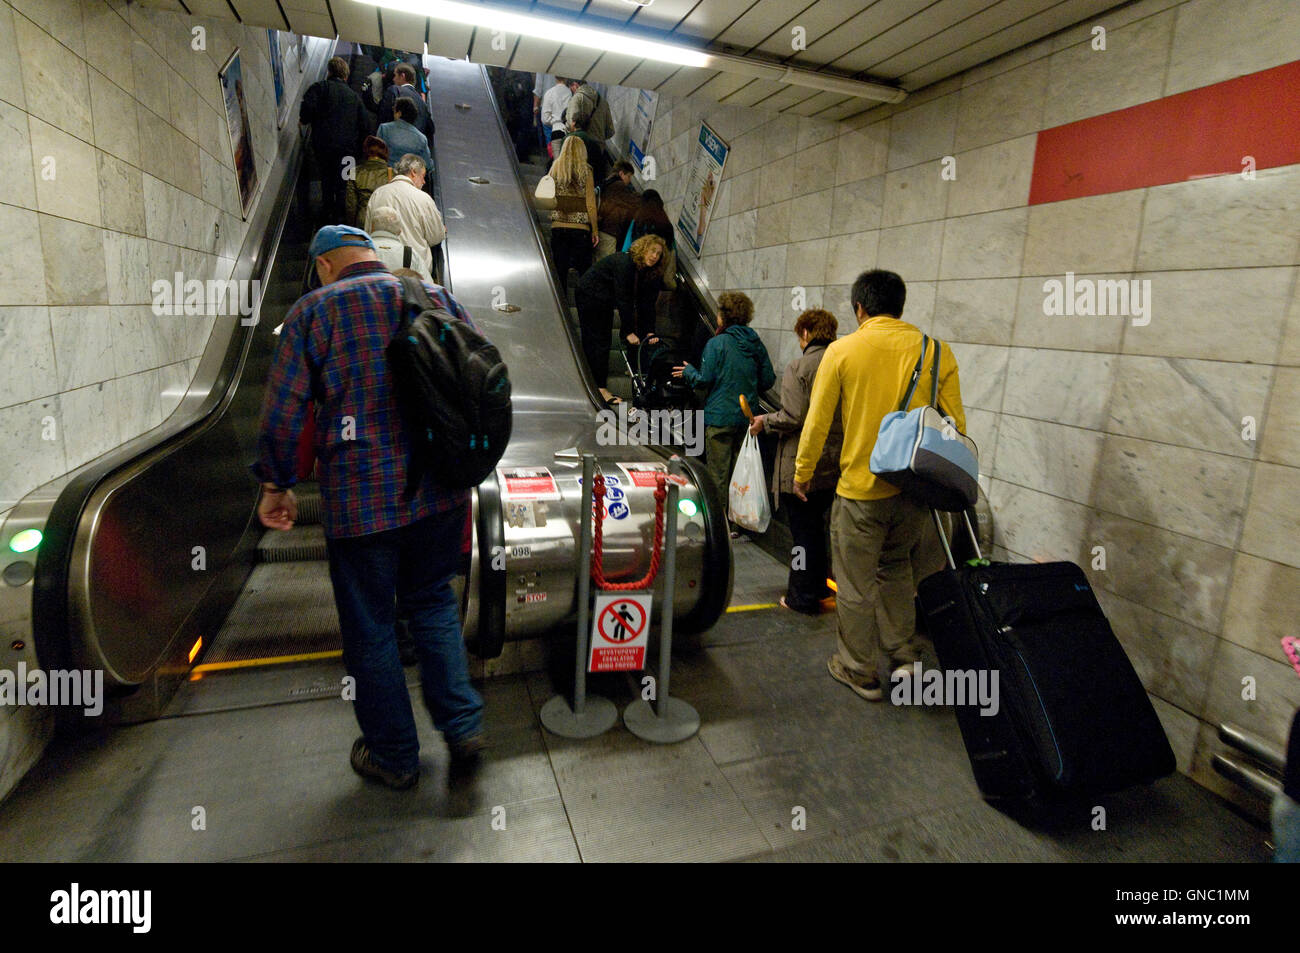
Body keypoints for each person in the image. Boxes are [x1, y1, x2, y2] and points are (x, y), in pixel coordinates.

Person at [251, 225, 486, 790]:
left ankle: (395, 756)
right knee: (432, 605)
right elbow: (476, 384)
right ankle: (463, 728)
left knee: (372, 628)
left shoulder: (315, 310)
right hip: (441, 490)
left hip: (362, 502)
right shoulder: (437, 297)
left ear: (325, 264)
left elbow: (284, 412)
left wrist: (275, 485)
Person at [793, 270, 965, 702]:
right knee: (896, 570)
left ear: (860, 308)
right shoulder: (937, 352)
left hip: (860, 489)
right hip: (913, 490)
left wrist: (802, 471)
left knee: (854, 582)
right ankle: (905, 658)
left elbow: (817, 420)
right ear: (901, 306)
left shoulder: (843, 350)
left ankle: (859, 670)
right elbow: (956, 427)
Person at [749, 309, 842, 613]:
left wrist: (765, 421)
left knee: (802, 534)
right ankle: (817, 587)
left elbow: (792, 416)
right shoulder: (842, 363)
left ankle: (800, 596)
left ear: (805, 334)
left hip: (800, 461)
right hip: (833, 463)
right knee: (816, 529)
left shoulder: (799, 366)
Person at [672, 292, 776, 504]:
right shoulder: (755, 343)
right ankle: (739, 520)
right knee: (741, 474)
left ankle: (721, 525)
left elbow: (704, 379)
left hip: (720, 419)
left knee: (718, 475)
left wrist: (689, 371)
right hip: (747, 419)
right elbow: (768, 380)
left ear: (724, 316)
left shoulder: (717, 343)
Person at [574, 234, 667, 398]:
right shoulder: (625, 263)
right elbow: (624, 299)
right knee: (599, 341)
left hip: (604, 298)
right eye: (652, 251)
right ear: (643, 249)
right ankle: (599, 389)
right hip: (590, 295)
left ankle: (594, 386)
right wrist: (628, 331)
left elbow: (646, 304)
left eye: (659, 254)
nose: (655, 256)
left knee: (601, 341)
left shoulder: (645, 271)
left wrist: (649, 331)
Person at [299, 57, 368, 226]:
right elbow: (365, 126)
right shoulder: (355, 97)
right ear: (346, 76)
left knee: (327, 180)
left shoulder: (319, 88)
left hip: (324, 149)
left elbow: (307, 110)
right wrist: (358, 152)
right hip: (347, 152)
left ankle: (325, 217)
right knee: (344, 184)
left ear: (329, 72)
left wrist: (305, 119)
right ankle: (342, 218)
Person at [365, 154, 446, 282]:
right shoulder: (423, 199)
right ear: (414, 172)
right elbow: (435, 237)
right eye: (423, 177)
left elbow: (368, 231)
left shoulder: (377, 194)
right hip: (414, 274)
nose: (424, 182)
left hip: (378, 272)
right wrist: (441, 230)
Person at [548, 135, 598, 296]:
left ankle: (560, 302)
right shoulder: (587, 170)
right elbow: (591, 204)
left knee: (560, 269)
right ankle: (583, 301)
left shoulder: (555, 167)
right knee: (584, 270)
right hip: (580, 229)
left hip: (558, 227)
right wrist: (595, 231)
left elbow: (548, 194)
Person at [622, 188, 677, 289]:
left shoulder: (639, 221)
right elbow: (672, 248)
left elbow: (628, 244)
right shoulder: (667, 224)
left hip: (638, 267)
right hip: (657, 270)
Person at [367, 205, 429, 280]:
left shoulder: (360, 250)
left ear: (372, 227)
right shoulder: (411, 255)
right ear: (399, 231)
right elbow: (428, 285)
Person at [378, 62, 435, 143]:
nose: (393, 79)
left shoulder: (394, 90)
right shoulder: (422, 103)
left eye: (395, 75)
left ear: (402, 76)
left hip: (392, 141)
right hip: (414, 146)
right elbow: (431, 129)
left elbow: (384, 115)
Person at [345, 135, 393, 227]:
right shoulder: (393, 173)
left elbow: (351, 205)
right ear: (385, 152)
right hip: (385, 222)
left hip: (363, 221)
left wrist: (351, 226)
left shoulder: (354, 172)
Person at [377, 97, 433, 173]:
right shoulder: (422, 138)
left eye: (394, 111)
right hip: (408, 180)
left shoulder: (384, 129)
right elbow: (427, 165)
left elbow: (376, 155)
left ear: (399, 113)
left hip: (385, 176)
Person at [596, 160, 638, 261]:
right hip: (609, 231)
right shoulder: (619, 186)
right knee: (604, 262)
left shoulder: (607, 183)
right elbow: (633, 202)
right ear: (621, 173)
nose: (629, 181)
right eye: (628, 176)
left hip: (600, 228)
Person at [540, 76, 574, 154]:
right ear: (566, 78)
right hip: (568, 131)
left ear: (555, 77)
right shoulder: (570, 93)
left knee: (556, 161)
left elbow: (544, 119)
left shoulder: (549, 93)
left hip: (555, 130)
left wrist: (555, 121)